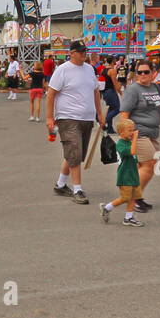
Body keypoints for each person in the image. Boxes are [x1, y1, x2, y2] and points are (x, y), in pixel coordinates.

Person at [46, 43, 103, 205]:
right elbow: (51, 94)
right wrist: (49, 118)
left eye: (85, 51)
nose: (84, 54)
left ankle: (61, 184)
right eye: (81, 51)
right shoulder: (63, 70)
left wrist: (99, 113)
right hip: (67, 117)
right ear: (72, 53)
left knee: (75, 153)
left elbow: (95, 91)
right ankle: (78, 189)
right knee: (75, 152)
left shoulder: (89, 69)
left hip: (87, 118)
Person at [118, 60, 160, 214]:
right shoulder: (133, 90)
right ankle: (133, 198)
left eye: (146, 72)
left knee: (142, 167)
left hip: (153, 132)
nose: (143, 75)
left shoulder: (155, 87)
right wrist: (128, 135)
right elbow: (124, 115)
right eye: (140, 72)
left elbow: (157, 105)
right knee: (150, 164)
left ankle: (137, 198)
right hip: (138, 132)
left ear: (153, 72)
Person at [100, 119, 145, 227]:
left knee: (134, 197)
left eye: (133, 130)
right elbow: (132, 152)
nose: (132, 132)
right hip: (125, 176)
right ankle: (107, 208)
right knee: (125, 198)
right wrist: (134, 139)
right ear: (121, 132)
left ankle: (128, 217)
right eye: (130, 130)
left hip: (133, 175)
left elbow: (134, 157)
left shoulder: (128, 142)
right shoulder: (120, 144)